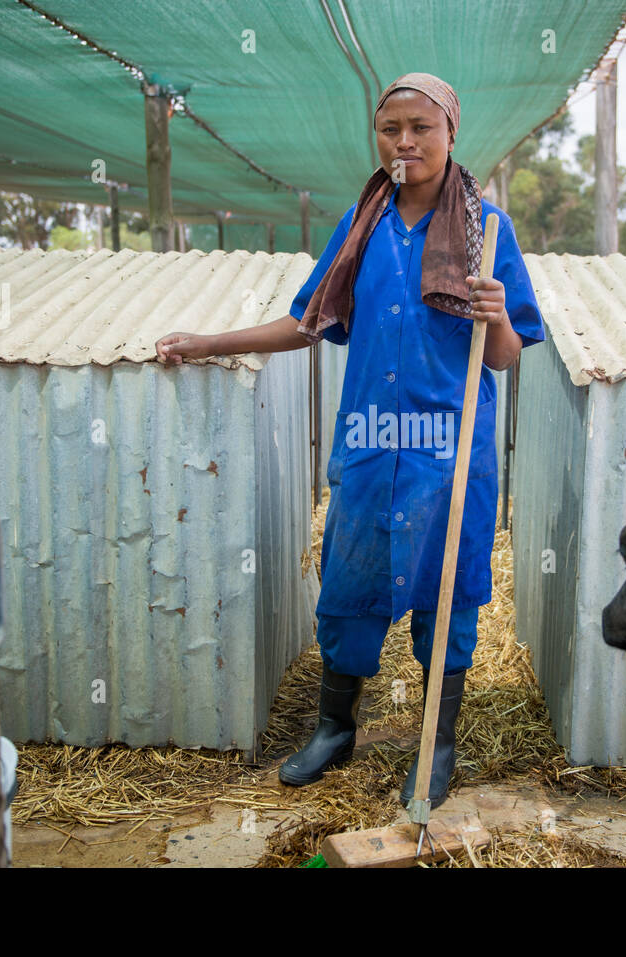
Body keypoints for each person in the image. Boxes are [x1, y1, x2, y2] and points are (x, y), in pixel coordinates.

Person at [156, 72, 546, 810]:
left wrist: (494, 313)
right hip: (369, 449)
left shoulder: (487, 230)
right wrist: (209, 343)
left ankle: (438, 745)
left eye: (420, 127)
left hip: (449, 455)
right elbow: (308, 322)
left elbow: (504, 355)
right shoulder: (360, 227)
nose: (404, 141)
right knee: (346, 591)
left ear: (451, 134)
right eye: (390, 127)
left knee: (448, 599)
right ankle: (335, 728)